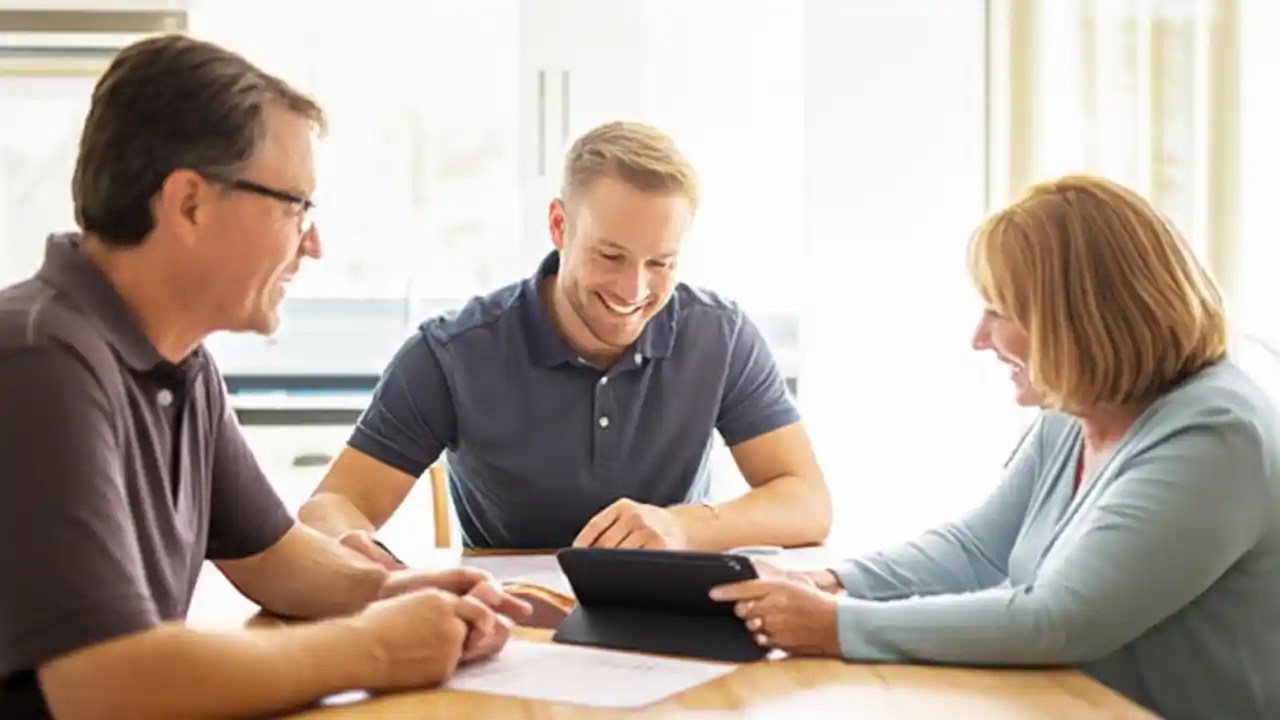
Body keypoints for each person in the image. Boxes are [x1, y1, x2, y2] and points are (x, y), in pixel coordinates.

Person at [0, 34, 529, 720]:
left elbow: (275, 559)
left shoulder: (180, 366)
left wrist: (403, 591)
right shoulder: (39, 362)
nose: (313, 243)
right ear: (188, 204)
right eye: (295, 205)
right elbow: (105, 680)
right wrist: (374, 647)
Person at [710, 175, 1280, 719]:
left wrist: (836, 625)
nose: (980, 339)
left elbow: (1061, 619)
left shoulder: (1217, 434)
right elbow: (979, 550)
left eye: (998, 313)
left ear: (1079, 322)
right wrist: (831, 583)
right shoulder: (1080, 406)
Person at [300, 120, 831, 554]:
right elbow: (330, 508)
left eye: (661, 262)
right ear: (559, 226)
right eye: (611, 256)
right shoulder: (452, 354)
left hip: (670, 626)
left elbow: (808, 502)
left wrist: (685, 528)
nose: (635, 289)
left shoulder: (722, 337)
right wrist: (377, 572)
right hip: (511, 633)